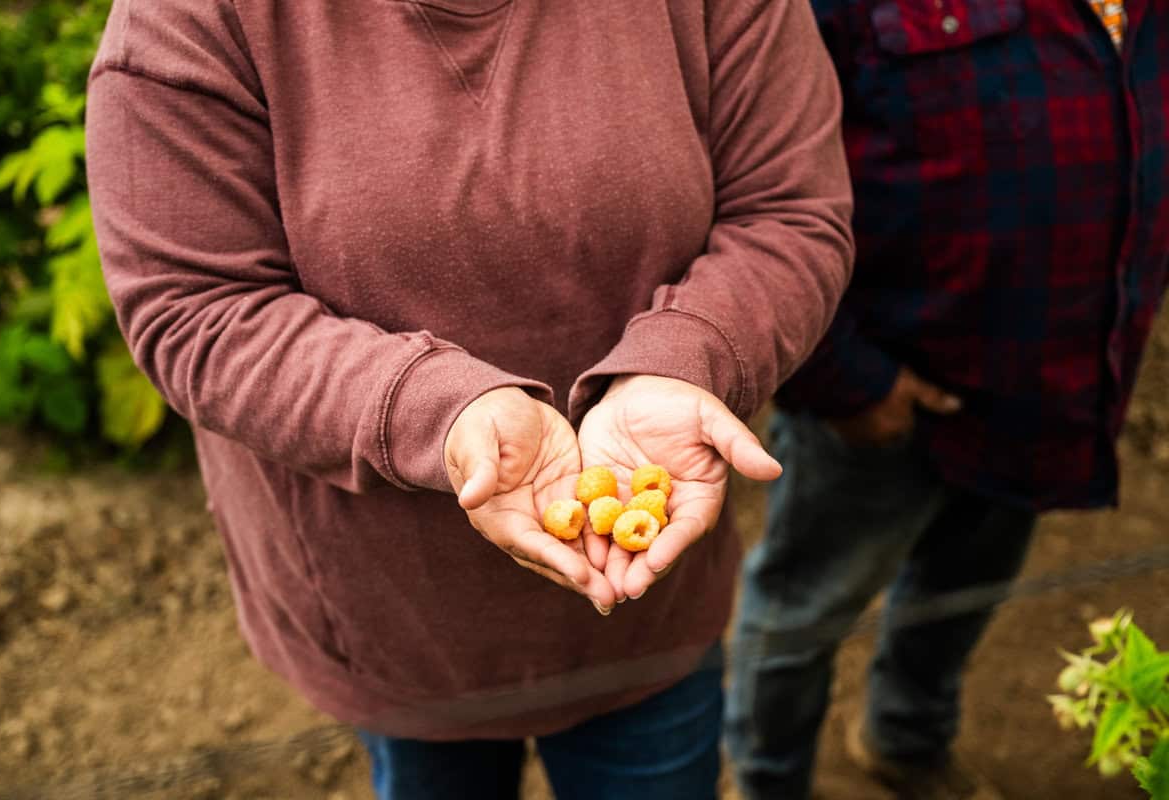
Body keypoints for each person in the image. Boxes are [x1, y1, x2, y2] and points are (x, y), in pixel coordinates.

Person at [85, 0, 854, 797]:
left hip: (646, 594)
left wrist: (684, 356)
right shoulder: (189, 22)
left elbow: (790, 211)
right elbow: (197, 307)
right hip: (392, 609)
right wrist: (436, 409)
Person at [726, 0, 1169, 797]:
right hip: (876, 396)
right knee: (804, 609)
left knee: (966, 584)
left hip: (1049, 382)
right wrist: (840, 377)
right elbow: (753, 181)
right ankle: (767, 776)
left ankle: (906, 736)